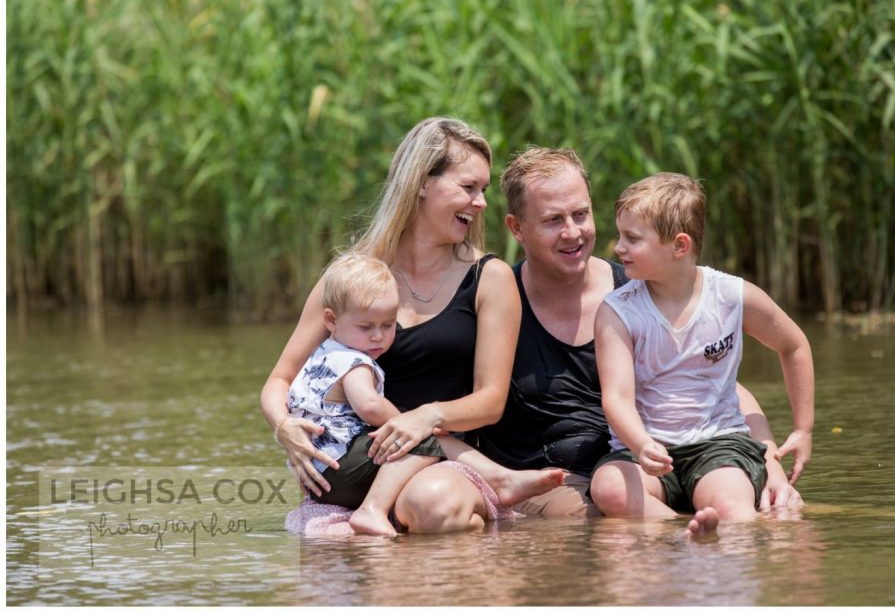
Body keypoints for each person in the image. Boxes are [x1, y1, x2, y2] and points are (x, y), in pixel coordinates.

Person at [261, 117, 563, 537]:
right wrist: (285, 426)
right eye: (467, 187)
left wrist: (425, 418)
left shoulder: (488, 278)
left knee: (429, 503)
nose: (481, 202)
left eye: (484, 190)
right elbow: (281, 378)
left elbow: (491, 401)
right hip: (360, 460)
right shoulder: (349, 280)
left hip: (443, 460)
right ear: (422, 182)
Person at [476, 148, 803, 532]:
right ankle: (690, 537)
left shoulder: (640, 288)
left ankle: (703, 538)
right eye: (552, 220)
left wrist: (768, 467)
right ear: (516, 228)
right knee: (609, 524)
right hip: (560, 486)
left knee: (750, 508)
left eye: (581, 214)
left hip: (656, 473)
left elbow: (719, 386)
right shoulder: (496, 300)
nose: (573, 232)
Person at [592, 172, 815, 532]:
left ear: (679, 246)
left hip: (718, 445)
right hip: (646, 449)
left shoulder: (731, 296)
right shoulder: (617, 311)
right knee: (609, 489)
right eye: (621, 235)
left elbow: (793, 345)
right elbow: (616, 396)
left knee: (734, 509)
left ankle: (713, 533)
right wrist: (642, 443)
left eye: (632, 238)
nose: (618, 248)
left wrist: (803, 429)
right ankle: (682, 532)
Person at [282, 253, 444, 535]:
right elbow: (369, 405)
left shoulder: (319, 357)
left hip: (313, 477)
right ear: (331, 320)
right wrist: (405, 423)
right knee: (425, 443)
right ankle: (373, 509)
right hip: (341, 469)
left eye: (388, 325)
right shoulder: (355, 362)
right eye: (366, 327)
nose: (378, 337)